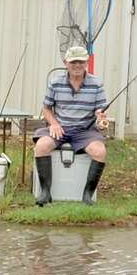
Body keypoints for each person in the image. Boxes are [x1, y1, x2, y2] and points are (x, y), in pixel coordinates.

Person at [34, 45, 108, 206]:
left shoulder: (97, 84)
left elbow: (100, 111)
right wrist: (53, 123)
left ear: (86, 63)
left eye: (81, 61)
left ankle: (87, 196)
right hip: (60, 128)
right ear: (65, 63)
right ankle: (45, 193)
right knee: (41, 146)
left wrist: (101, 120)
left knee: (100, 152)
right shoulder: (55, 82)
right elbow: (46, 108)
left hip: (85, 130)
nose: (77, 65)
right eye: (73, 61)